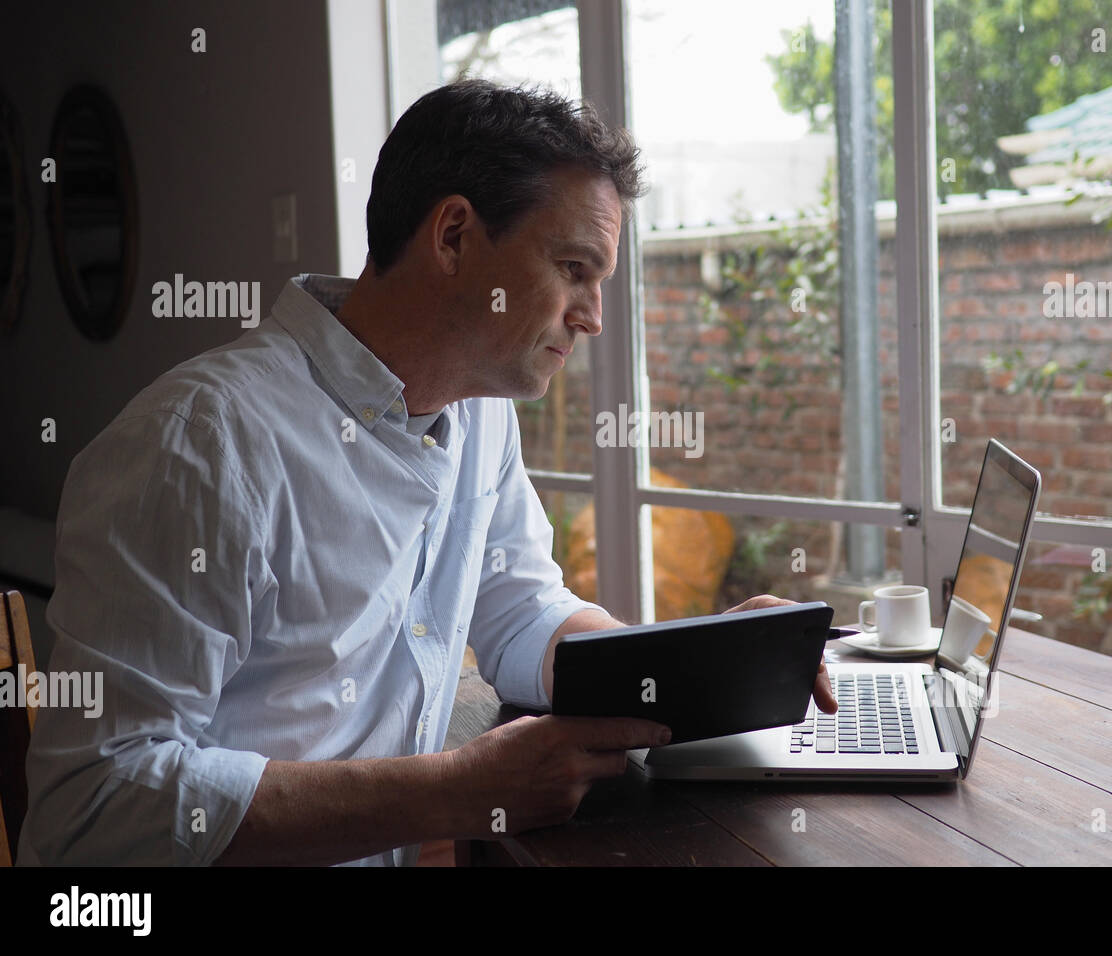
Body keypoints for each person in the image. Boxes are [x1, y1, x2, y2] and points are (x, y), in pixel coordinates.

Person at [19, 79, 835, 867]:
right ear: (452, 237)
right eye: (575, 270)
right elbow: (97, 803)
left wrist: (692, 666)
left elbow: (520, 606)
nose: (589, 317)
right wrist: (454, 791)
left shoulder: (479, 413)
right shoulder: (198, 446)